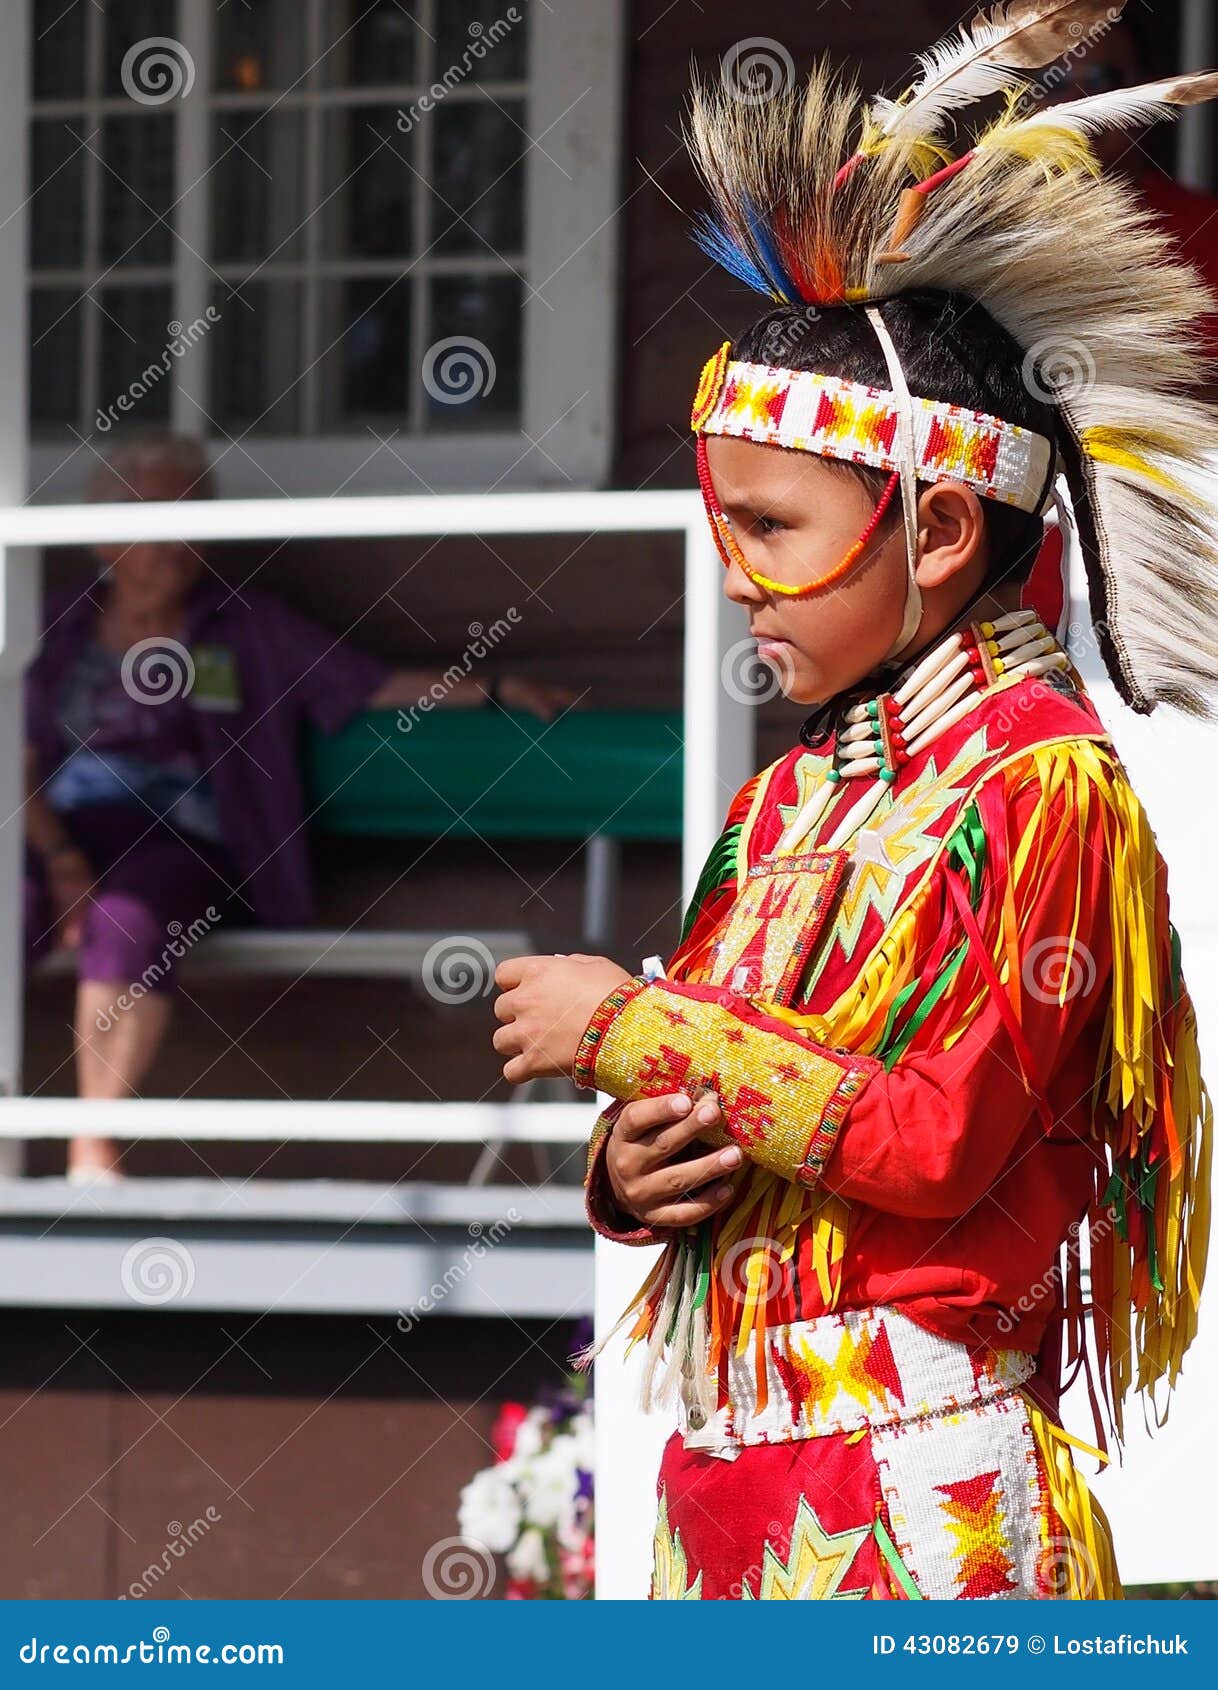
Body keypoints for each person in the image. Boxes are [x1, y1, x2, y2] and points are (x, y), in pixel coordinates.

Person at [491, 2, 1217, 1600]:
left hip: (917, 1500)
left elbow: (939, 1136)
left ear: (939, 529)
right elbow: (732, 1095)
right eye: (723, 526)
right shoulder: (781, 805)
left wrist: (629, 1025)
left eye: (768, 526)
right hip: (717, 1486)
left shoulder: (1037, 789)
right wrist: (633, 1167)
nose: (732, 573)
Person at [25, 434, 576, 1183]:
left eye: (191, 521)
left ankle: (91, 1147)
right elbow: (16, 760)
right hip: (56, 834)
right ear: (103, 538)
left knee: (129, 917)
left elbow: (365, 683)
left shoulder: (245, 623)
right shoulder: (56, 626)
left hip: (180, 841)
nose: (175, 545)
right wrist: (60, 861)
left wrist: (494, 688)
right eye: (154, 521)